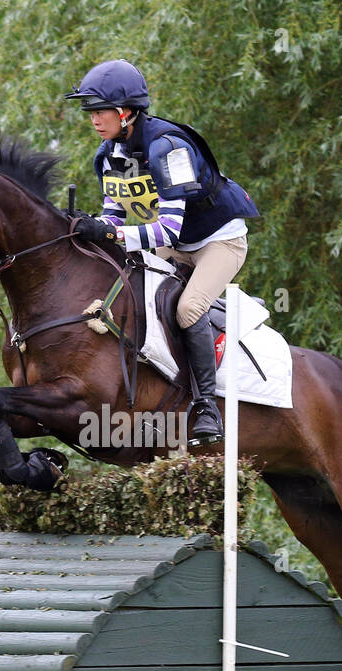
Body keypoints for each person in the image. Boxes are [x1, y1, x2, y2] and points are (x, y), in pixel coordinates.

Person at [65, 59, 259, 447]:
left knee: (188, 309)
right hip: (173, 243)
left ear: (125, 111)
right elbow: (113, 214)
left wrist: (111, 232)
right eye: (90, 113)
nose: (93, 120)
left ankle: (206, 405)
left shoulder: (169, 149)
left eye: (99, 111)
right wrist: (90, 229)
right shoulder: (107, 156)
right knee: (129, 295)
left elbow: (165, 228)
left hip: (217, 242)